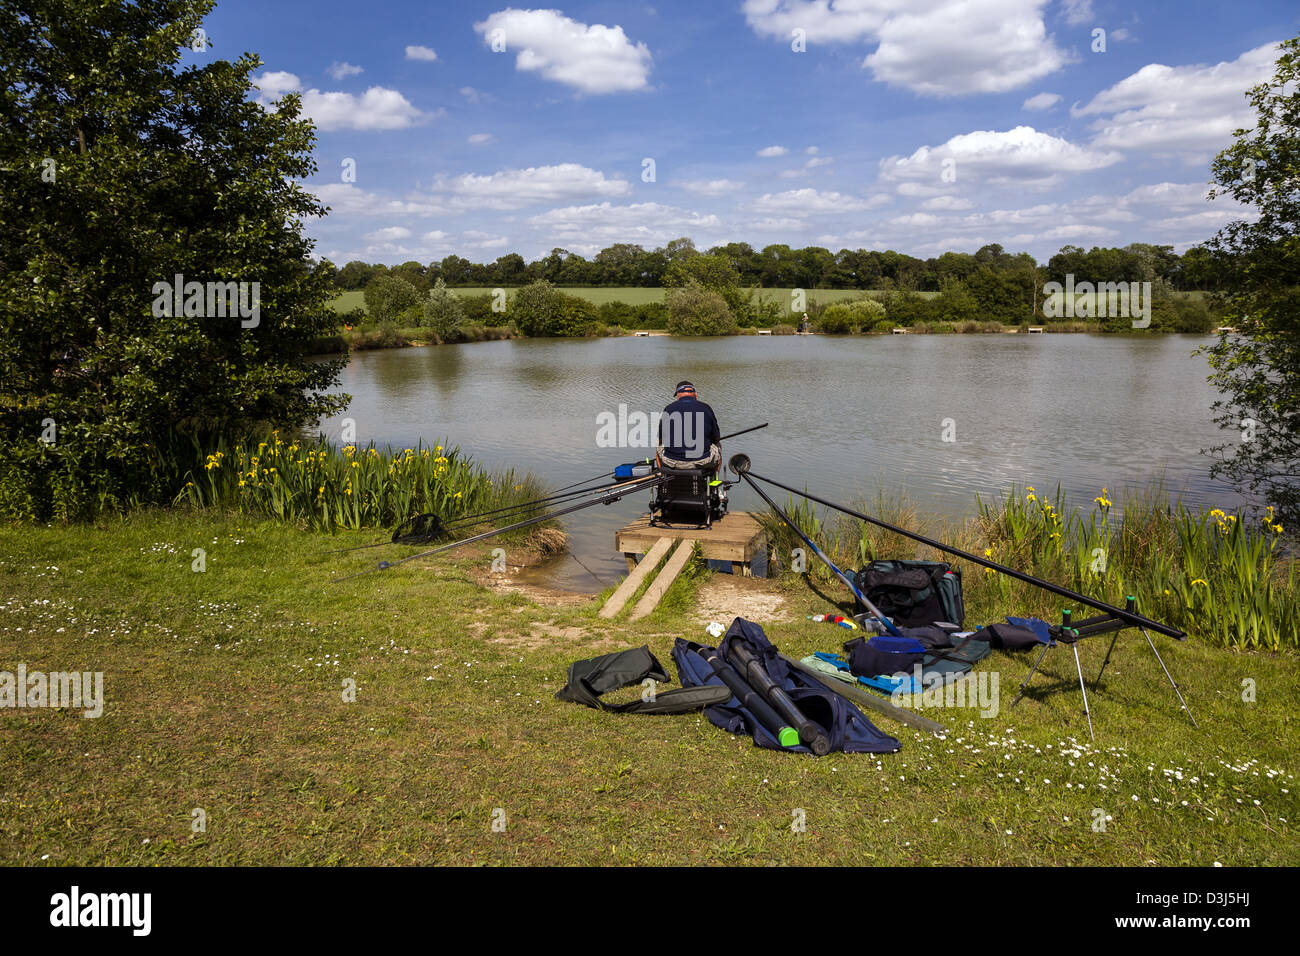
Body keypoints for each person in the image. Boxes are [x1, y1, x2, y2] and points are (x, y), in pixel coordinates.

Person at [657, 380, 721, 472]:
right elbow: (717, 438)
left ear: (678, 394)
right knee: (718, 445)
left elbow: (661, 439)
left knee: (658, 446)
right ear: (695, 394)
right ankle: (714, 481)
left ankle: (663, 476)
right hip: (701, 461)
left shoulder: (668, 409)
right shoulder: (706, 408)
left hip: (673, 461)